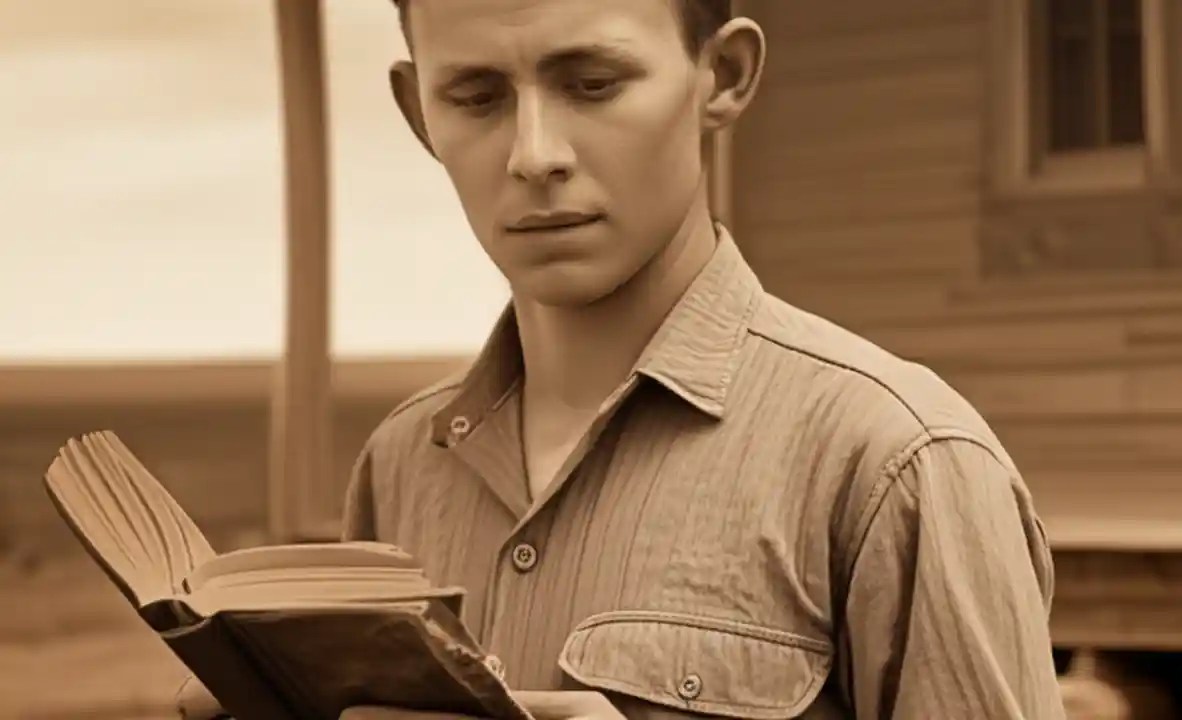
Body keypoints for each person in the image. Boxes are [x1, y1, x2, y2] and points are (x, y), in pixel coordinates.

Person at [181, 0, 1067, 717]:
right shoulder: (403, 465)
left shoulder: (896, 466)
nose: (535, 156)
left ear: (722, 76)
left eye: (593, 84)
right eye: (477, 98)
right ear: (419, 113)